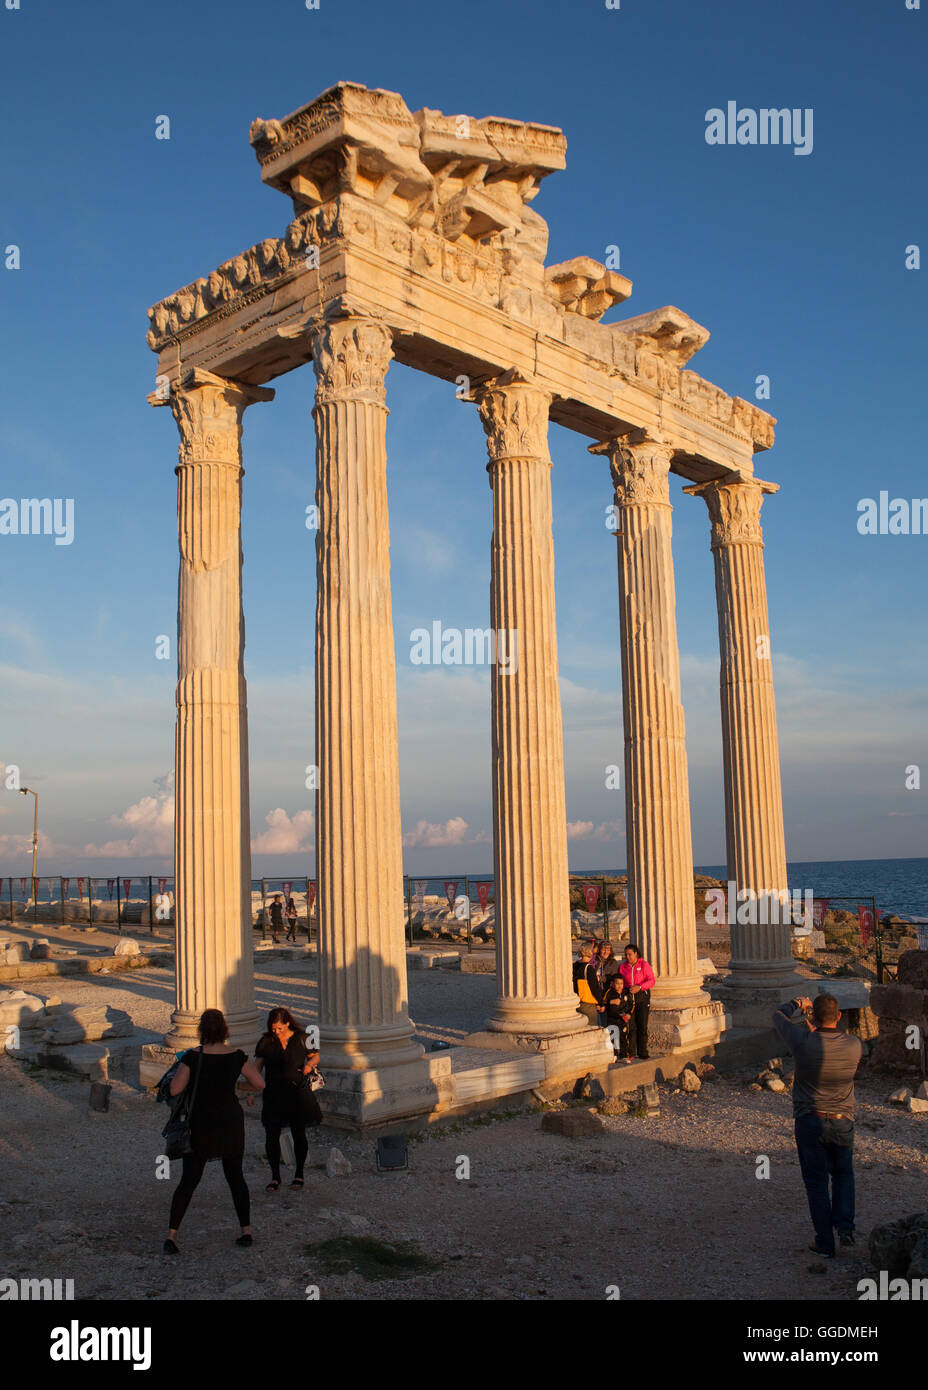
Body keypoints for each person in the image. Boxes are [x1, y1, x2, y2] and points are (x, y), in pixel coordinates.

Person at [164, 1008, 265, 1255]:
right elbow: (260, 1083)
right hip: (230, 1120)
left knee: (188, 1181)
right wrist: (237, 1086)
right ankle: (246, 1231)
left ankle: (172, 1236)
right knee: (235, 1177)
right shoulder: (237, 1056)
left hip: (201, 1122)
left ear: (201, 1030)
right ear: (224, 1030)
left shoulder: (192, 1057)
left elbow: (176, 1090)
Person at [773, 993, 862, 1257]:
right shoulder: (854, 1045)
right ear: (840, 1017)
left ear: (812, 1018)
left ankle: (824, 1242)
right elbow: (829, 1044)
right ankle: (845, 1227)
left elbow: (777, 1016)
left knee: (816, 1182)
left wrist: (797, 1004)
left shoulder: (803, 1041)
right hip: (842, 1119)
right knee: (844, 1174)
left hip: (810, 1119)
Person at [253, 1007, 321, 1192]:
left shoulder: (302, 1037)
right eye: (274, 1028)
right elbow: (256, 1069)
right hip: (273, 1094)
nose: (276, 1031)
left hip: (297, 1093)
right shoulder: (266, 1041)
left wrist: (309, 1065)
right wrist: (251, 1091)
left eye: (279, 1028)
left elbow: (315, 1056)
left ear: (287, 1023)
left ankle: (299, 1174)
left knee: (299, 1133)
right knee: (271, 1135)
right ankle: (275, 1177)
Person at [619, 943, 655, 1059]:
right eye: (626, 955)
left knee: (642, 1025)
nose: (627, 957)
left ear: (635, 954)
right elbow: (620, 981)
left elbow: (651, 981)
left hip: (642, 997)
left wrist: (640, 987)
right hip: (629, 998)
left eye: (630, 954)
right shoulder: (623, 967)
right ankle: (632, 1052)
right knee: (631, 1026)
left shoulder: (644, 965)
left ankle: (643, 1051)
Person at [604, 974, 636, 1062]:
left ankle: (624, 1055)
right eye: (617, 983)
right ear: (613, 984)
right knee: (613, 1037)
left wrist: (629, 1014)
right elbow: (603, 1003)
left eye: (621, 983)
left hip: (623, 1019)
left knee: (623, 1037)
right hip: (612, 1019)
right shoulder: (609, 993)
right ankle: (614, 1055)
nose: (619, 985)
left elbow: (631, 1004)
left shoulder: (626, 993)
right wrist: (611, 1002)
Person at [572, 945, 601, 1026]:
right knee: (591, 1027)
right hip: (587, 1003)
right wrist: (600, 1002)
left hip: (576, 1002)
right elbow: (594, 987)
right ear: (590, 954)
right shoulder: (589, 968)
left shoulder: (574, 966)